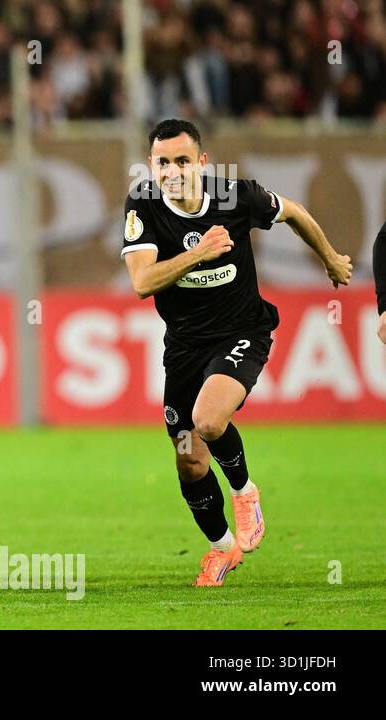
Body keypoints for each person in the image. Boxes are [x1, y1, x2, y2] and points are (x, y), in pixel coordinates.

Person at [121, 119, 352, 586]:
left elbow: (294, 212)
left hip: (241, 332)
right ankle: (222, 548)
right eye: (162, 163)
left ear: (202, 163)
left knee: (208, 420)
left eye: (182, 161)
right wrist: (198, 254)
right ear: (151, 165)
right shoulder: (143, 205)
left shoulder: (235, 197)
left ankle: (245, 492)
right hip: (184, 346)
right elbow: (142, 283)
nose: (172, 171)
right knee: (188, 457)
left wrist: (329, 258)